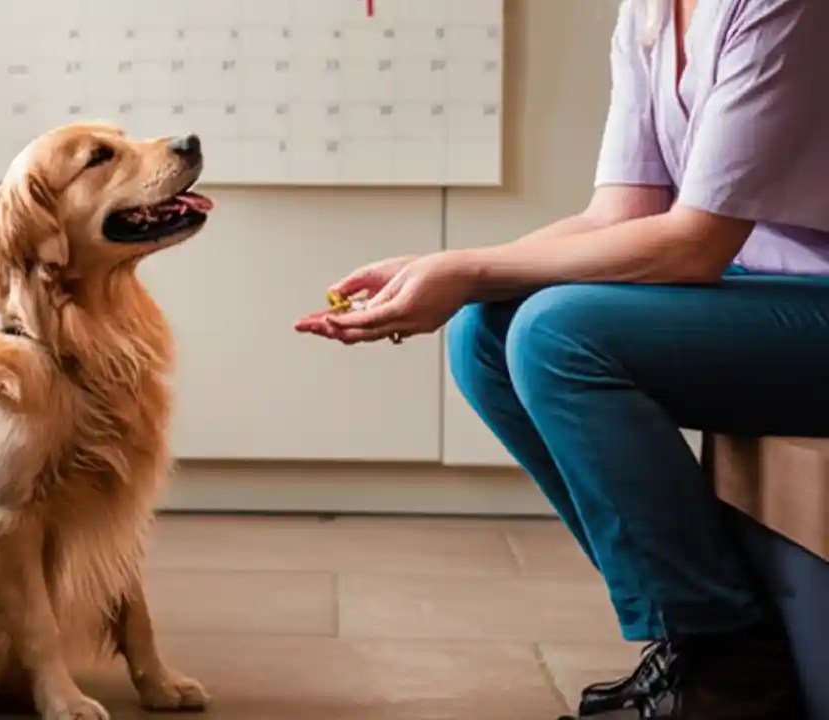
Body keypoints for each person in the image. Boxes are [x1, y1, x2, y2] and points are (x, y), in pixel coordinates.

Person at [296, 0, 828, 717]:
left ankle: (729, 664)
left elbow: (694, 244)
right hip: (758, 292)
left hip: (807, 302)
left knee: (557, 331)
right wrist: (447, 268)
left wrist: (470, 268)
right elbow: (623, 214)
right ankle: (696, 639)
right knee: (484, 330)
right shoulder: (649, 9)